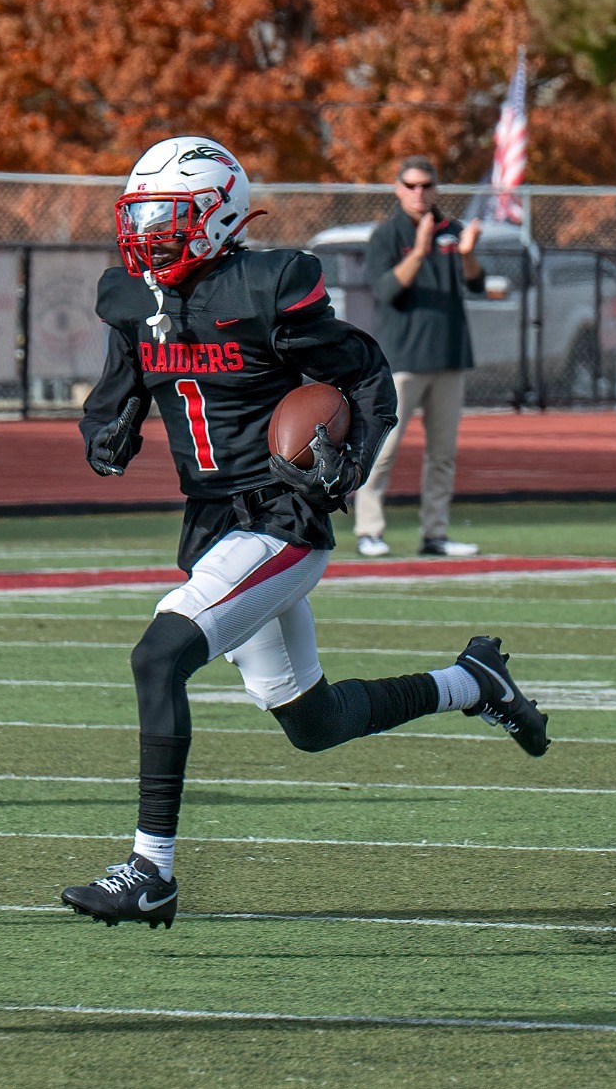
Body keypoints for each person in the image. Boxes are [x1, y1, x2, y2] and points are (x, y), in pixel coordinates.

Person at [62, 135, 548, 928]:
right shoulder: (130, 295)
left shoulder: (267, 284)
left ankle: (151, 872)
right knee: (312, 723)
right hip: (214, 521)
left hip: (280, 515)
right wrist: (106, 430)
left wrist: (347, 466)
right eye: (143, 217)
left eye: (170, 217)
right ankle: (473, 682)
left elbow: (362, 373)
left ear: (218, 215)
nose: (151, 235)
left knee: (158, 657)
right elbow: (120, 384)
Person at [350, 155, 484, 560]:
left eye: (426, 185)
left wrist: (466, 254)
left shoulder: (453, 231)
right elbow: (387, 290)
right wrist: (420, 250)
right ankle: (369, 531)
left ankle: (435, 535)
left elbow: (476, 283)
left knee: (442, 453)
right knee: (383, 449)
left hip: (449, 356)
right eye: (411, 185)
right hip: (403, 359)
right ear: (398, 188)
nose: (419, 192)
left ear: (436, 188)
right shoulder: (388, 235)